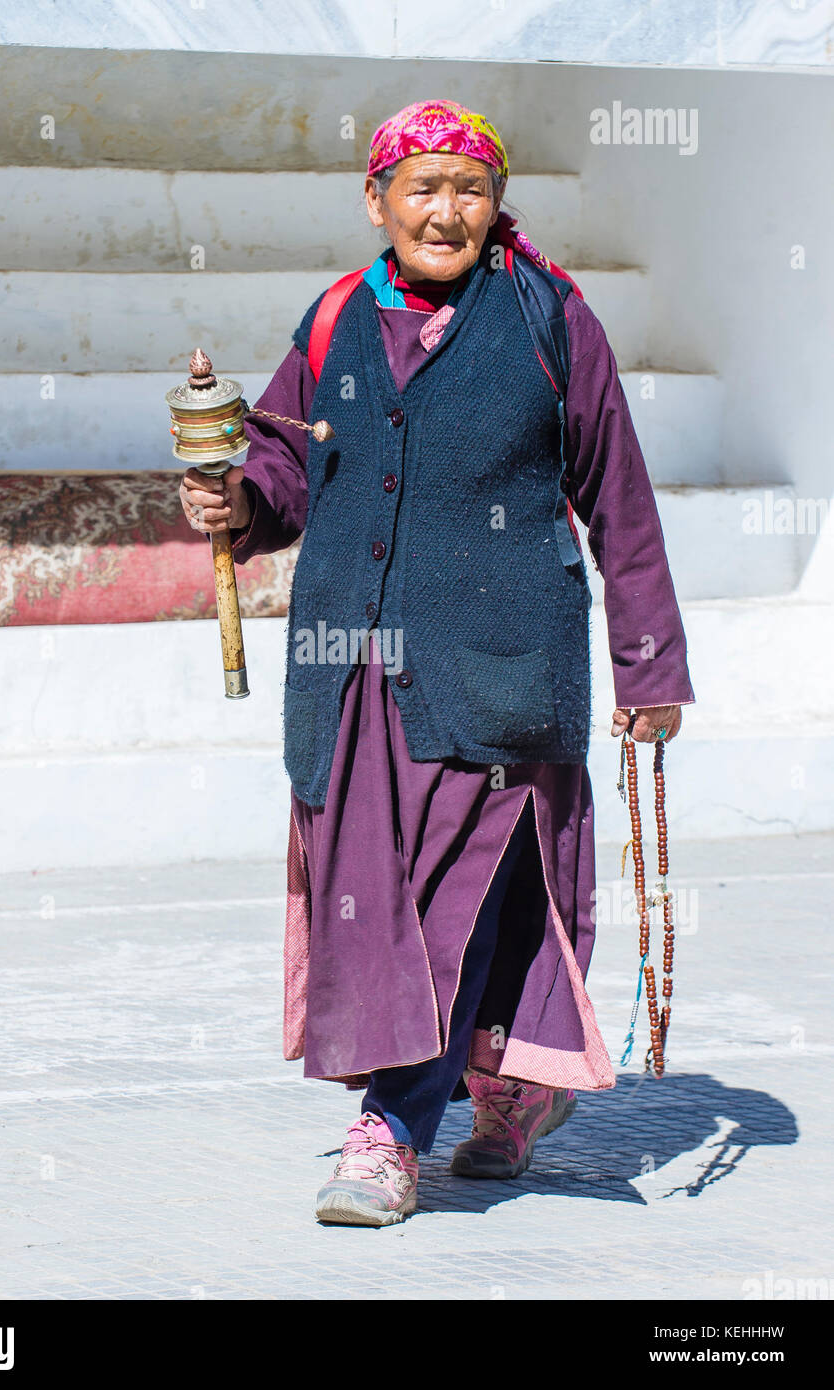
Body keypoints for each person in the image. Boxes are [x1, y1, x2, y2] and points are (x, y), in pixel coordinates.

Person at [179, 98, 694, 1227]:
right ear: (377, 203)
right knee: (391, 901)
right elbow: (279, 470)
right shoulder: (333, 321)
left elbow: (618, 496)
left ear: (494, 202)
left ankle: (393, 1129)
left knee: (454, 890)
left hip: (504, 663)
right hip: (355, 673)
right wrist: (231, 499)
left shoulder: (549, 315)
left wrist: (647, 664)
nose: (445, 211)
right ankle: (504, 1083)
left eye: (467, 189)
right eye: (421, 189)